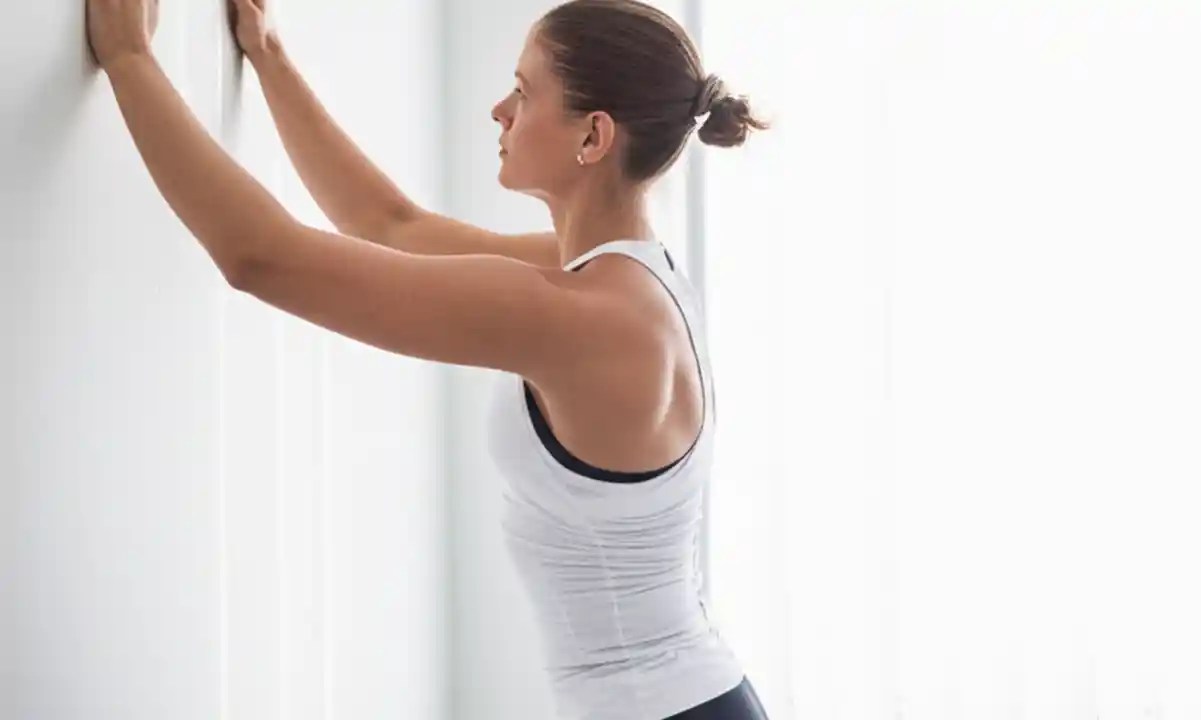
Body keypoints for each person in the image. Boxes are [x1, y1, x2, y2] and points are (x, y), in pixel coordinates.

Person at [89, 0, 769, 716]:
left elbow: (263, 258)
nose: (498, 110)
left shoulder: (590, 319)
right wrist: (269, 55)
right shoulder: (617, 278)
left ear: (593, 136)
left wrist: (130, 58)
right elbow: (391, 227)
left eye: (524, 91)